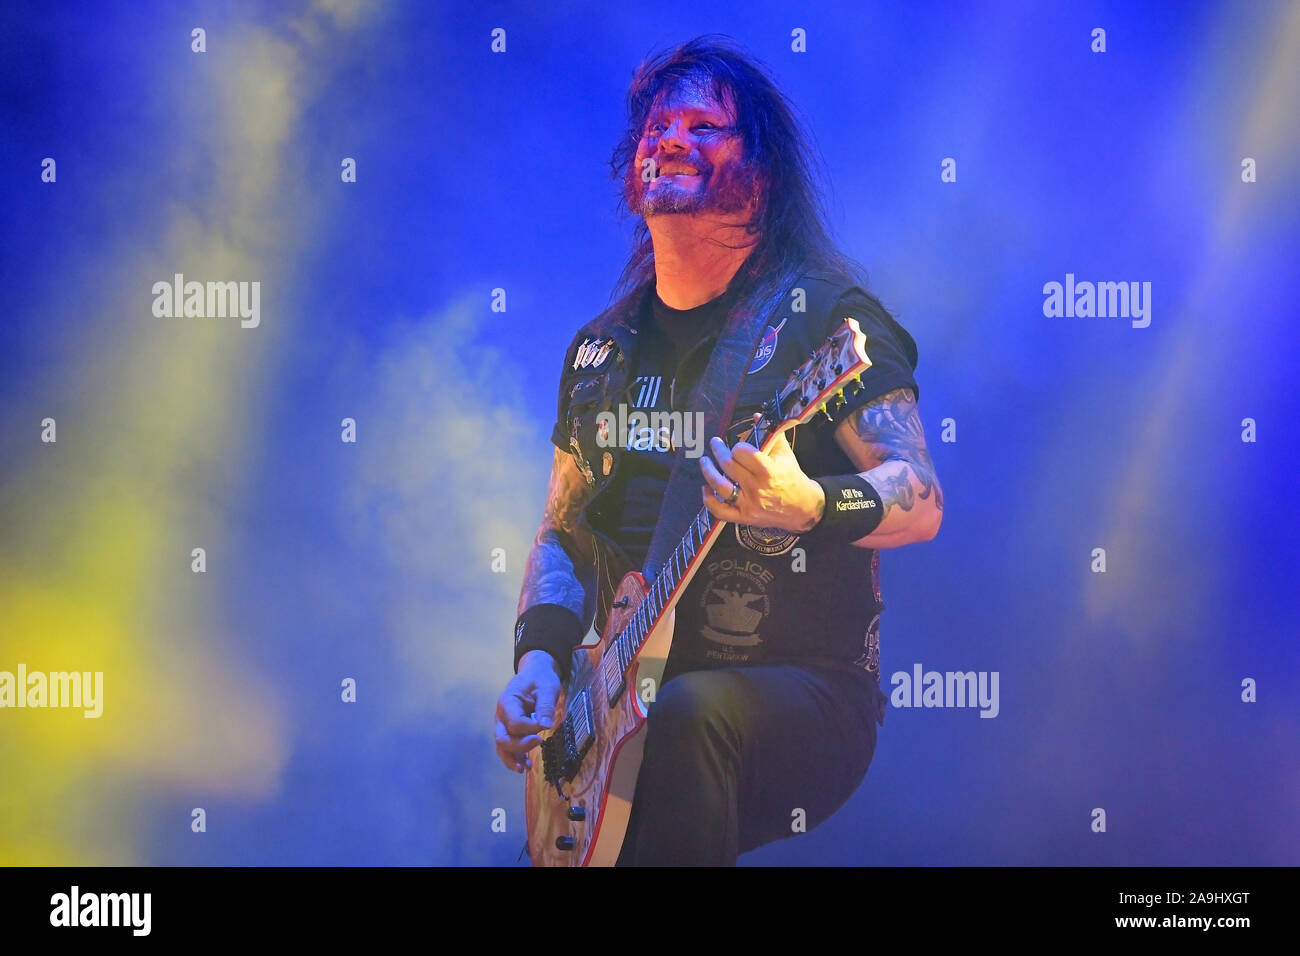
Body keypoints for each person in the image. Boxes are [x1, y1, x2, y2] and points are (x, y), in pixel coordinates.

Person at [493, 35, 943, 865]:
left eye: (703, 126)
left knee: (693, 713)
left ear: (762, 176)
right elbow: (563, 531)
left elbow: (920, 494)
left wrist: (808, 503)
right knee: (671, 717)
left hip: (801, 689)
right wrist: (542, 662)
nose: (669, 138)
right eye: (658, 127)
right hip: (621, 694)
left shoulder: (821, 318)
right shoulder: (601, 350)